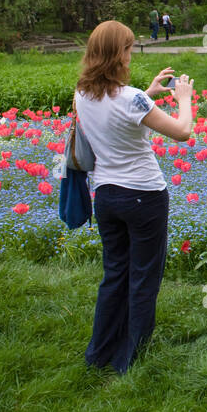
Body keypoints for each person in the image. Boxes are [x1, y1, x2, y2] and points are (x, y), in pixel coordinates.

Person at [76, 21, 194, 374]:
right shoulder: (131, 99)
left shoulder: (82, 93)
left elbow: (119, 112)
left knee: (115, 274)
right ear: (117, 54)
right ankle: (130, 359)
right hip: (144, 197)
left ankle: (99, 353)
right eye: (128, 48)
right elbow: (182, 132)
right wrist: (183, 100)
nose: (130, 54)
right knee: (143, 277)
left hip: (107, 197)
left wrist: (149, 93)